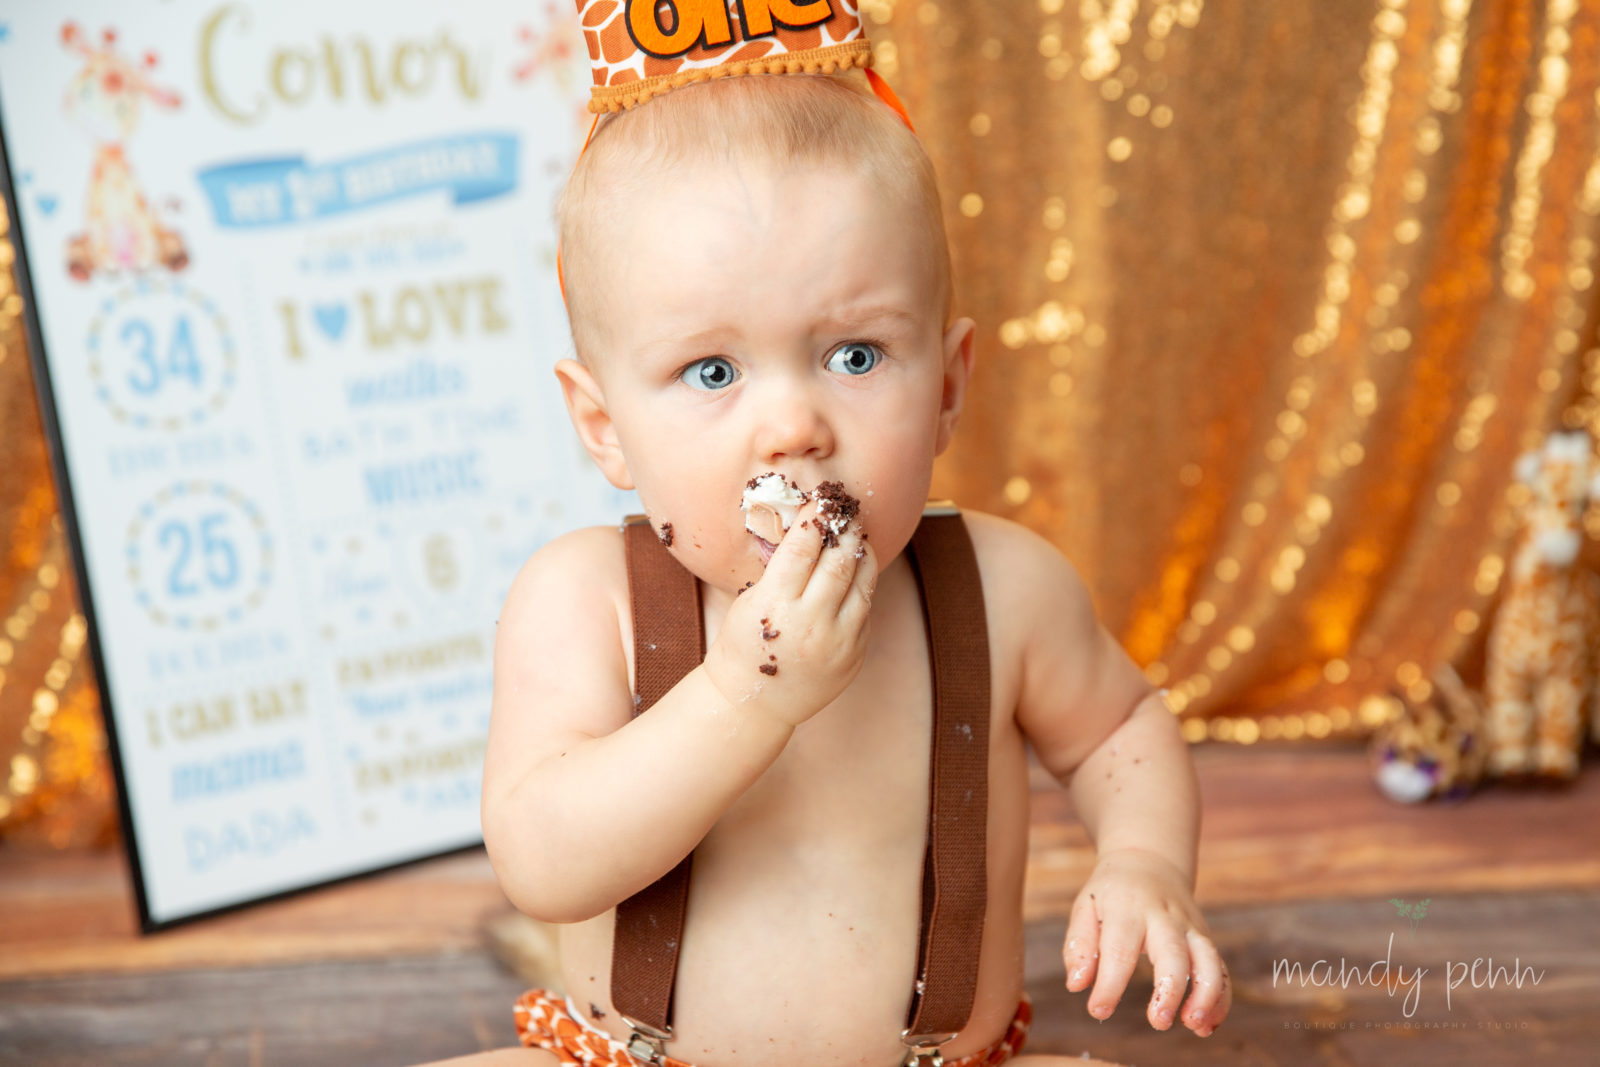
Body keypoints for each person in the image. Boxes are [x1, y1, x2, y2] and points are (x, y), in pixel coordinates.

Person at [428, 12, 1231, 1066]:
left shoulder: (1003, 588)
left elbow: (1119, 725)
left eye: (854, 355)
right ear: (604, 426)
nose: (794, 425)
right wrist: (746, 692)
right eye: (712, 372)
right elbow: (544, 859)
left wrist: (1143, 862)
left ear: (945, 386)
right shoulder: (585, 601)